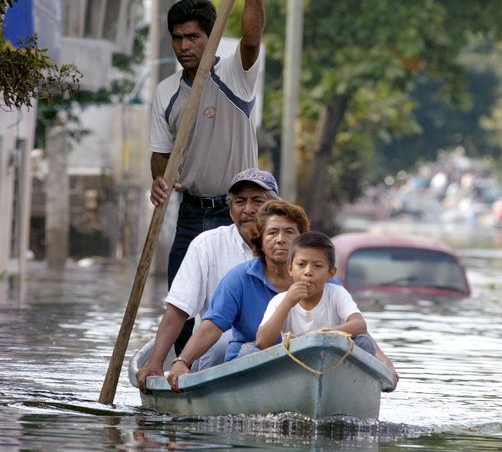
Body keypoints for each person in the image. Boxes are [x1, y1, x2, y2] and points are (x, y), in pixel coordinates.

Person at [148, 0, 265, 352]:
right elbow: (161, 159)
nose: (184, 46)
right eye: (177, 38)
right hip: (193, 212)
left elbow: (250, 40)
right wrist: (159, 183)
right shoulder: (165, 92)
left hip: (243, 212)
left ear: (211, 37)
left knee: (241, 307)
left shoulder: (236, 75)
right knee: (180, 310)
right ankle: (181, 369)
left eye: (194, 37)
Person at [166, 201, 399, 392]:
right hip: (259, 365)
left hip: (313, 364)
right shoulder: (239, 278)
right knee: (245, 350)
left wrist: (384, 363)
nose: (280, 239)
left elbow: (358, 326)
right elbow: (212, 327)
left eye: (289, 232)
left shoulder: (325, 282)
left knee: (361, 344)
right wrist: (181, 362)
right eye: (272, 232)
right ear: (261, 240)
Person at [134, 168, 279, 391]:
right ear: (230, 210)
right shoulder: (207, 245)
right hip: (216, 346)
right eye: (240, 201)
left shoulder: (291, 247)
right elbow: (178, 310)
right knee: (222, 344)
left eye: (257, 201)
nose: (248, 210)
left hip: (277, 347)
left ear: (275, 208)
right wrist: (155, 363)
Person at [255, 231, 376, 356]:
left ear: (331, 273)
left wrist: (322, 335)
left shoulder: (336, 294)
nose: (308, 272)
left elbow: (360, 325)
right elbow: (262, 342)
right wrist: (287, 302)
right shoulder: (280, 300)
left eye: (317, 266)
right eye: (301, 264)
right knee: (249, 351)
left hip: (335, 358)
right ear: (290, 268)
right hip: (296, 360)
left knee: (364, 341)